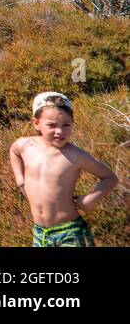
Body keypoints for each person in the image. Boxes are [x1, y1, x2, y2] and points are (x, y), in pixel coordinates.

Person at [10, 92, 118, 247]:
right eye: (52, 125)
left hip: (70, 231)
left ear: (72, 123)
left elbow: (110, 177)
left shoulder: (75, 155)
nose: (59, 131)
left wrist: (89, 201)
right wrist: (20, 180)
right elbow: (13, 151)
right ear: (36, 123)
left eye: (66, 125)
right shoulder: (25, 145)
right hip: (40, 233)